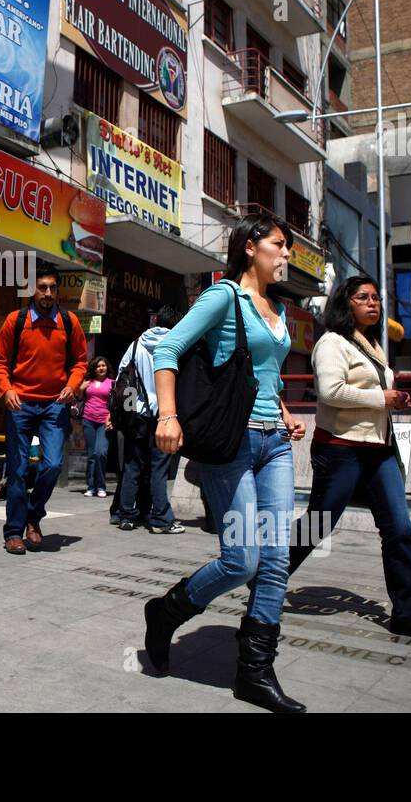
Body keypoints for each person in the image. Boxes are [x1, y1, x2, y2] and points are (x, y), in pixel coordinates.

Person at [145, 213, 307, 713]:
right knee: (243, 560)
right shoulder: (223, 297)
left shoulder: (278, 306)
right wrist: (167, 416)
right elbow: (168, 347)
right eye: (280, 245)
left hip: (273, 443)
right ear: (252, 246)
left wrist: (283, 410)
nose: (286, 255)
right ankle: (166, 612)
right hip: (230, 443)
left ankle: (253, 673)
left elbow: (264, 373)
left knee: (276, 560)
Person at [286, 276, 411, 644]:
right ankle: (267, 579)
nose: (372, 303)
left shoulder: (373, 344)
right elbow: (330, 392)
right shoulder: (331, 343)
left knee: (399, 530)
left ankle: (410, 614)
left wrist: (388, 400)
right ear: (345, 303)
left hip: (380, 451)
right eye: (362, 297)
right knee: (317, 526)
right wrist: (382, 397)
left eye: (376, 297)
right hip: (341, 449)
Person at [0, 263, 88, 555]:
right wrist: (5, 388)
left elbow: (81, 362)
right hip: (20, 403)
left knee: (54, 465)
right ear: (32, 288)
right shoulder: (15, 320)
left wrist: (72, 384)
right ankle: (13, 533)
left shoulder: (69, 322)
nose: (47, 293)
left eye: (52, 288)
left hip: (54, 404)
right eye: (42, 287)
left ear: (58, 290)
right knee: (19, 470)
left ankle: (33, 515)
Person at [115, 307, 185, 533]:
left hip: (137, 416)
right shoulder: (176, 347)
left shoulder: (135, 345)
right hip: (164, 416)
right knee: (159, 468)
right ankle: (161, 519)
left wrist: (130, 412)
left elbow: (122, 379)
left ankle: (125, 515)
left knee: (132, 466)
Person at [78, 357, 113, 498]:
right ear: (94, 368)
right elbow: (79, 399)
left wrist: (111, 419)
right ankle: (91, 487)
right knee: (92, 455)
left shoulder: (113, 383)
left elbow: (115, 403)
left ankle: (101, 486)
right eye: (98, 366)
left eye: (103, 365)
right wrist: (81, 389)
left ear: (107, 367)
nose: (101, 368)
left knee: (101, 453)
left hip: (104, 421)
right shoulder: (88, 382)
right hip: (88, 420)